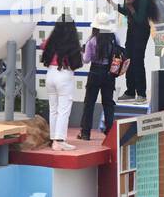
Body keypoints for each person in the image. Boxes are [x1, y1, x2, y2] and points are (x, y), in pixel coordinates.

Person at [105, 0, 159, 103]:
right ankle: (130, 91)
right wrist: (112, 3)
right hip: (132, 30)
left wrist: (131, 7)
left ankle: (141, 93)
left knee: (138, 61)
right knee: (128, 60)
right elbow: (125, 11)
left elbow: (140, 19)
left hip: (141, 32)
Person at [41, 14, 84, 151]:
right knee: (63, 110)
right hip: (64, 75)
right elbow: (76, 62)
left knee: (53, 109)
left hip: (50, 75)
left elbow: (43, 46)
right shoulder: (71, 42)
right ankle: (59, 141)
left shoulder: (51, 40)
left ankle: (54, 139)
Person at [78, 11, 120, 142]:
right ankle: (109, 133)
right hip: (109, 74)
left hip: (95, 72)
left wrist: (82, 51)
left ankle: (85, 133)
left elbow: (86, 60)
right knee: (108, 104)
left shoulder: (92, 40)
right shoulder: (113, 38)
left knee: (89, 103)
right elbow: (118, 51)